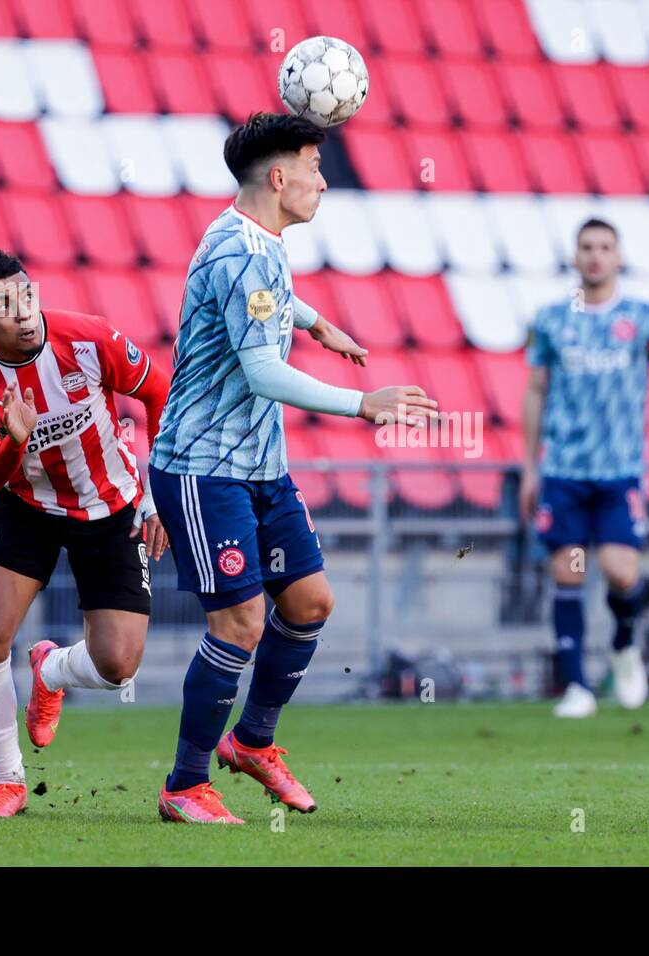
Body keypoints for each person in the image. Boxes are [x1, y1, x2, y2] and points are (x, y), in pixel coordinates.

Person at [148, 113, 437, 823]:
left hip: (260, 468)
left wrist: (313, 321)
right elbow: (263, 372)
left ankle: (251, 743)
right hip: (202, 467)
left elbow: (265, 301)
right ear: (278, 178)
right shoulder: (242, 250)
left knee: (309, 604)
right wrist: (361, 402)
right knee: (241, 622)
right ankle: (185, 785)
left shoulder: (257, 242)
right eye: (313, 165)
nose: (323, 179)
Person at [0, 247, 170, 817]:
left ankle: (51, 669)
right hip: (25, 506)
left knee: (117, 667)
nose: (21, 312)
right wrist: (16, 440)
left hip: (109, 507)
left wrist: (159, 495)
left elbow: (160, 392)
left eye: (25, 295)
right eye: (2, 305)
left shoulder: (89, 339)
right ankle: (8, 782)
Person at [520, 219, 649, 719]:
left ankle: (624, 644)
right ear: (575, 257)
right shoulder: (552, 319)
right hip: (566, 471)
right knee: (568, 575)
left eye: (605, 248)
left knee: (619, 572)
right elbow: (534, 391)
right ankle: (576, 687)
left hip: (620, 472)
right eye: (587, 247)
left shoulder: (643, 317)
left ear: (618, 257)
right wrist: (530, 467)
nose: (595, 256)